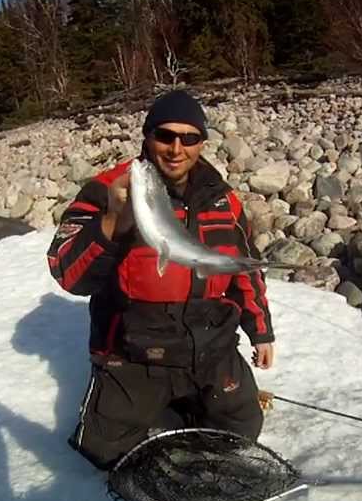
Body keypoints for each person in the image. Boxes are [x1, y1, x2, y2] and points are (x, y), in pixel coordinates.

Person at [47, 89, 275, 471]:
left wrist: (261, 331)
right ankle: (153, 406)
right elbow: (69, 273)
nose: (175, 148)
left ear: (202, 142)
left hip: (209, 344)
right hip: (136, 350)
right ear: (147, 136)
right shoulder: (109, 188)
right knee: (103, 453)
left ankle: (180, 404)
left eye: (189, 138)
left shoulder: (224, 199)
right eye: (164, 135)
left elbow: (244, 270)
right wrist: (113, 221)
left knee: (241, 433)